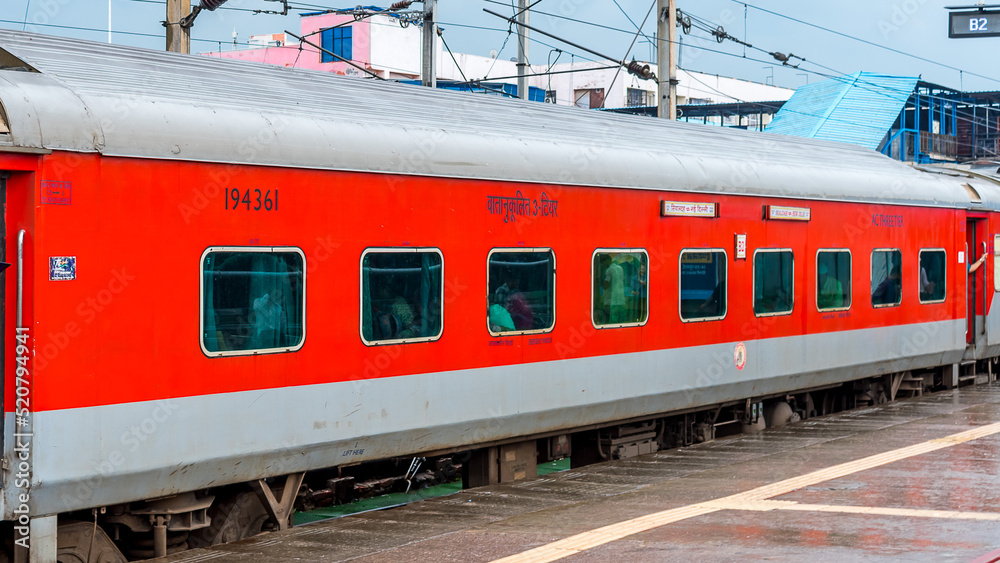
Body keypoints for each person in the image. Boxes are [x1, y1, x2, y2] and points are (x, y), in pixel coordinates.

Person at [604, 257, 626, 323]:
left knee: (613, 317)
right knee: (620, 317)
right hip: (621, 297)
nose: (604, 264)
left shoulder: (609, 270)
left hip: (612, 298)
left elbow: (606, 285)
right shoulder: (620, 268)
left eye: (604, 262)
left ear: (607, 260)